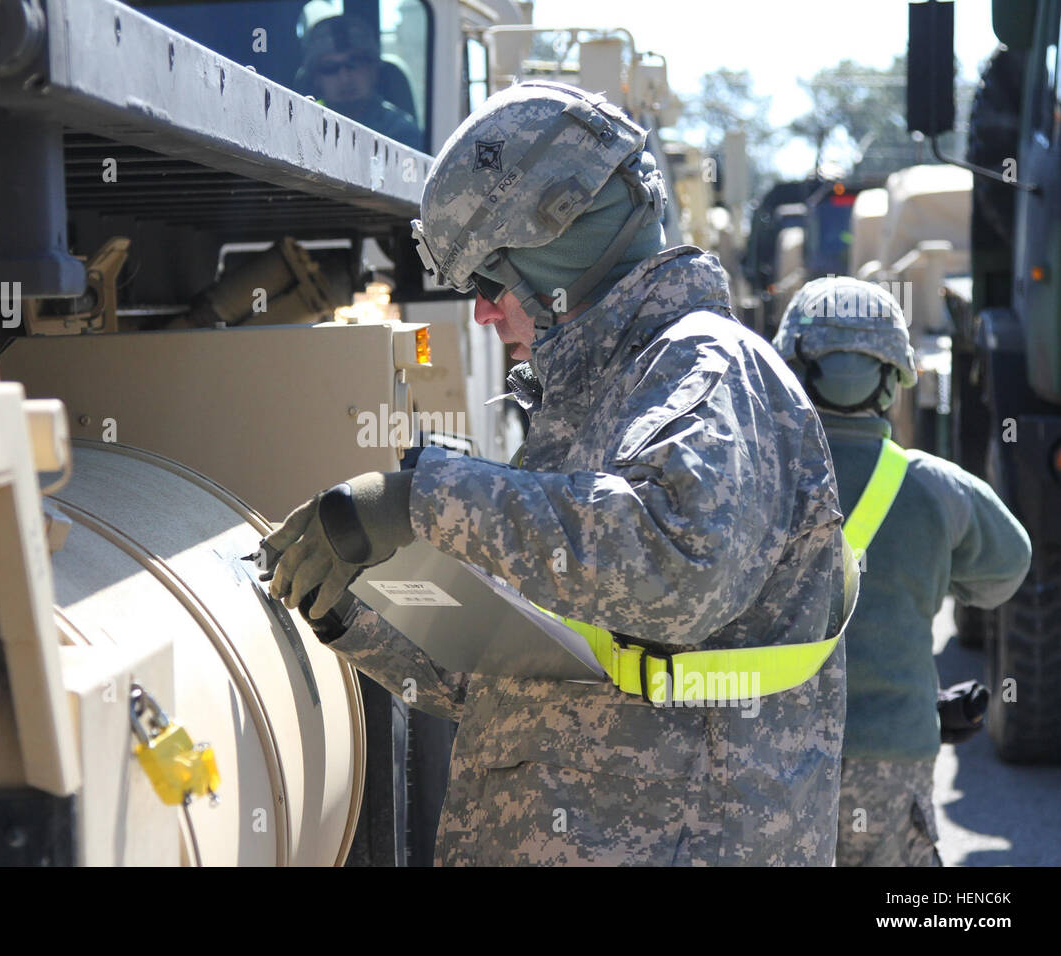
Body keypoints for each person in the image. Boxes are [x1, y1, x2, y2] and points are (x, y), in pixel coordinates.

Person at [265, 81, 850, 865]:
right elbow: (515, 671)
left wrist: (421, 499)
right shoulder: (598, 394)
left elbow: (673, 567)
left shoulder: (707, 368)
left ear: (564, 240)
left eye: (489, 279)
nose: (480, 313)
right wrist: (344, 613)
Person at [772, 276, 1032, 867]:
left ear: (791, 369)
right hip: (889, 756)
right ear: (894, 380)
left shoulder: (750, 479)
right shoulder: (938, 488)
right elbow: (1007, 570)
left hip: (763, 756)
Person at [295, 15, 421, 148]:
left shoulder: (401, 132)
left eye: (354, 63)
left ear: (373, 69)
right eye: (330, 68)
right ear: (316, 78)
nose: (344, 78)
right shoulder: (304, 128)